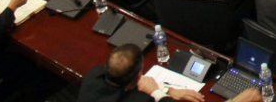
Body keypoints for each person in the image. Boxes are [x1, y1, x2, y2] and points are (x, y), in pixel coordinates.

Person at [77, 44, 214, 102]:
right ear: (138, 75)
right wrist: (157, 92)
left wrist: (168, 90)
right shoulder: (140, 100)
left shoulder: (94, 74)